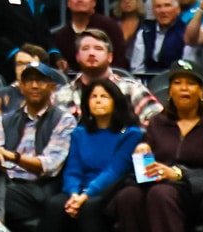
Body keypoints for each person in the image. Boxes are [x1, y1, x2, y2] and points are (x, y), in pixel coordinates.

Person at [114, 64, 203, 232]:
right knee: (128, 196)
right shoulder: (158, 122)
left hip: (195, 191)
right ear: (170, 91)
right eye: (177, 83)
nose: (183, 88)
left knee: (161, 194)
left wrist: (178, 174)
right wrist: (142, 150)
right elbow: (146, 160)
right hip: (156, 185)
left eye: (191, 83)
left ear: (201, 91)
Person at [0, 61, 75, 232]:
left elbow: (49, 166)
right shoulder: (5, 120)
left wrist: (11, 156)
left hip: (39, 188)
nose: (34, 85)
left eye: (40, 81)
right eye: (28, 81)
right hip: (6, 182)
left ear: (51, 87)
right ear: (21, 87)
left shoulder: (64, 120)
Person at [46, 79, 142, 232]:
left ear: (115, 101)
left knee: (89, 207)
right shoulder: (79, 133)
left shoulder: (130, 134)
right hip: (81, 190)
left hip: (111, 190)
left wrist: (85, 196)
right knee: (55, 205)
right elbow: (72, 170)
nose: (98, 100)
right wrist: (73, 195)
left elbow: (115, 170)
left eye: (104, 96)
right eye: (93, 97)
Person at [55, 31, 162, 125]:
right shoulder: (62, 95)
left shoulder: (133, 90)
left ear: (110, 57)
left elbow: (159, 124)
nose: (91, 53)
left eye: (98, 48)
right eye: (85, 49)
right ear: (77, 57)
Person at [130, 0, 189, 73]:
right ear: (153, 10)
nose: (163, 11)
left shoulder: (186, 32)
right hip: (148, 82)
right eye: (158, 6)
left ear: (177, 9)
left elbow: (188, 66)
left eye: (167, 5)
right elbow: (137, 68)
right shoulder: (145, 31)